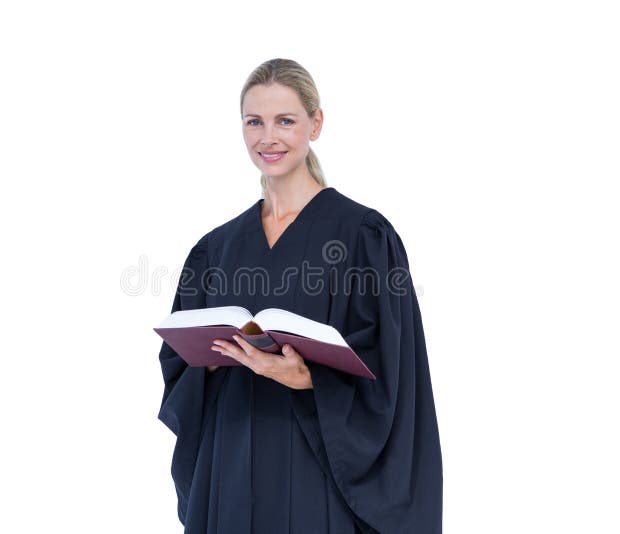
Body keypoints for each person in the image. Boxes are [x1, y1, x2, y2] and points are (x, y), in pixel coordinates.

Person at [157, 58, 443, 534]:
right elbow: (178, 365)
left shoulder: (363, 237)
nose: (268, 137)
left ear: (316, 123)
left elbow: (395, 371)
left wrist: (308, 378)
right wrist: (206, 360)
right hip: (231, 467)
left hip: (317, 476)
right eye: (255, 121)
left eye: (285, 120)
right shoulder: (216, 248)